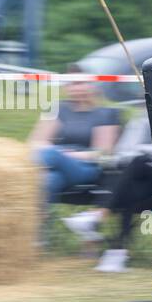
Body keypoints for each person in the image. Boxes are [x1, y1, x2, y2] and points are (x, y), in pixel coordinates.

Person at [61, 113, 152, 272]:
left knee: (139, 160)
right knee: (130, 189)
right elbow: (121, 152)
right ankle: (116, 253)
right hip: (143, 183)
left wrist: (136, 154)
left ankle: (98, 216)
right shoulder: (139, 122)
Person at [27, 72, 121, 215]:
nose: (76, 88)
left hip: (87, 167)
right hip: (59, 161)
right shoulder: (57, 108)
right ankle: (39, 232)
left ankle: (11, 176)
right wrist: (60, 155)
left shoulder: (105, 113)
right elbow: (34, 142)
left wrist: (68, 155)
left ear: (94, 85)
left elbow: (103, 154)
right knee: (49, 181)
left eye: (81, 83)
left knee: (51, 154)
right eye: (72, 83)